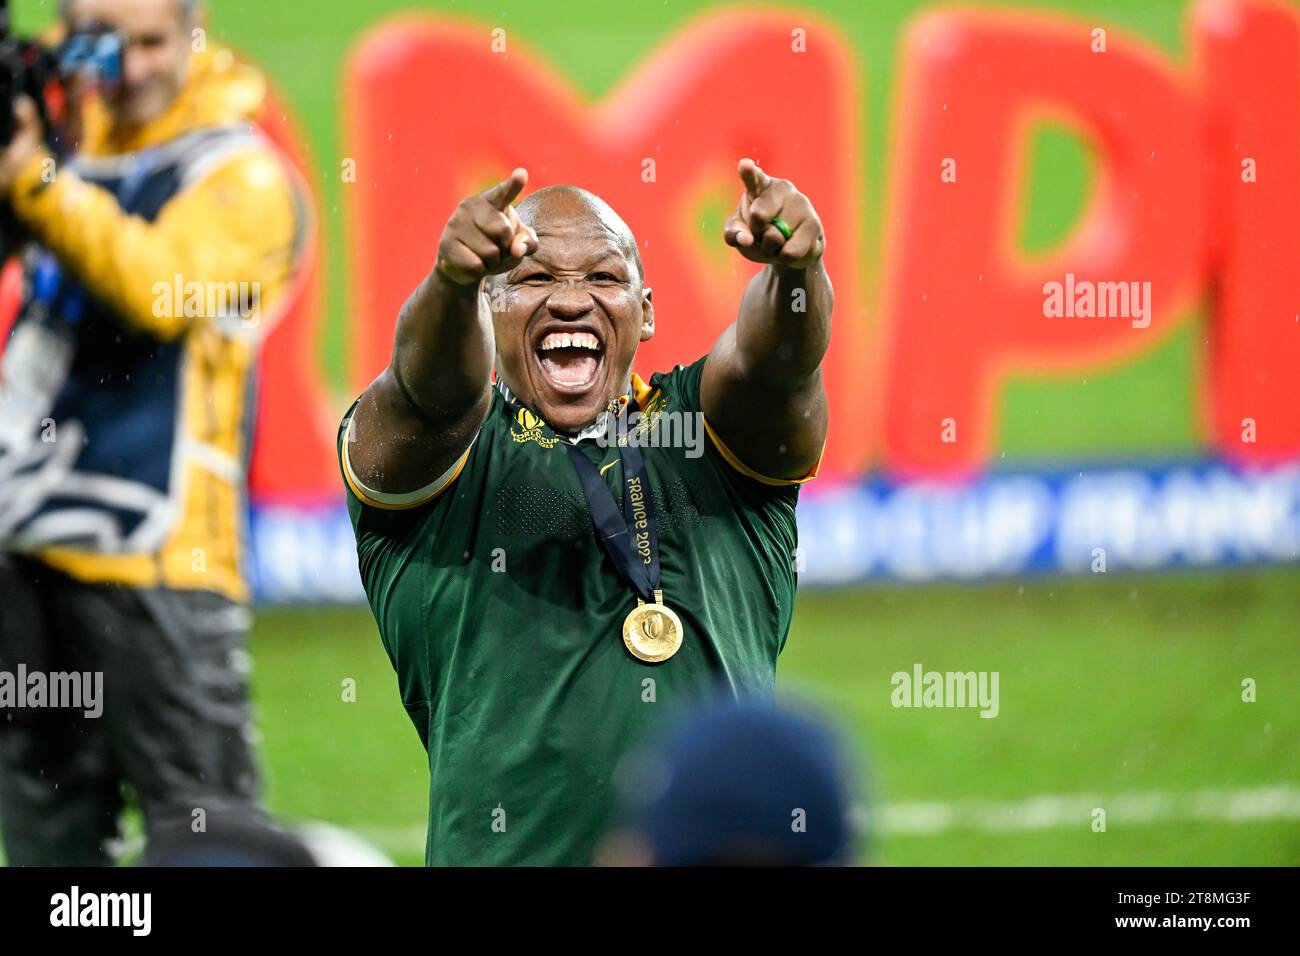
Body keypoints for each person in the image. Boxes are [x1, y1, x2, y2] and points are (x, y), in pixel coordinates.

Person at [341, 159, 831, 865]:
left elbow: (777, 364)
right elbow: (429, 389)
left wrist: (795, 273)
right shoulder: (443, 461)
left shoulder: (710, 435)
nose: (571, 301)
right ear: (487, 312)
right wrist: (451, 284)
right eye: (533, 279)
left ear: (647, 311)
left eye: (604, 277)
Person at [0, 0, 303, 865]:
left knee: (207, 836)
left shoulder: (242, 173)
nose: (129, 69)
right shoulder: (61, 137)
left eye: (151, 43)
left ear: (194, 31)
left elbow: (158, 289)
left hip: (163, 563)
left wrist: (34, 179)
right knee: (51, 851)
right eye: (104, 44)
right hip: (27, 553)